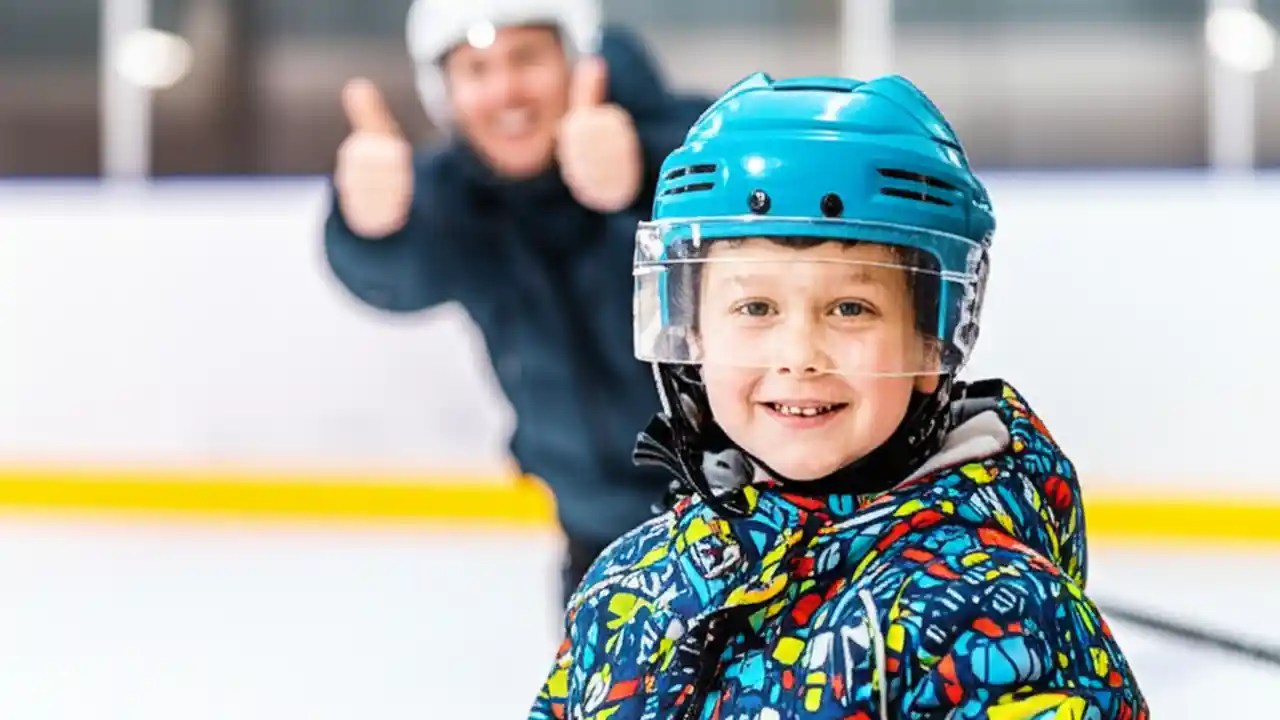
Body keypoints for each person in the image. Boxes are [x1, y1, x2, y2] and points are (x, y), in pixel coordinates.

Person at [530, 73, 1147, 718]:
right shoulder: (628, 585)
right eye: (756, 306)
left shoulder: (996, 621)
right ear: (693, 330)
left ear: (929, 342)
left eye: (850, 308)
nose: (799, 355)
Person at [322, 0, 710, 604]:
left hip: (743, 531)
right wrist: (371, 229)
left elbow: (776, 241)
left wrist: (651, 184)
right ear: (444, 92)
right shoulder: (458, 195)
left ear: (578, 63)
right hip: (596, 549)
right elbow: (402, 278)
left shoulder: (691, 143)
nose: (506, 92)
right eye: (477, 71)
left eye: (526, 58)